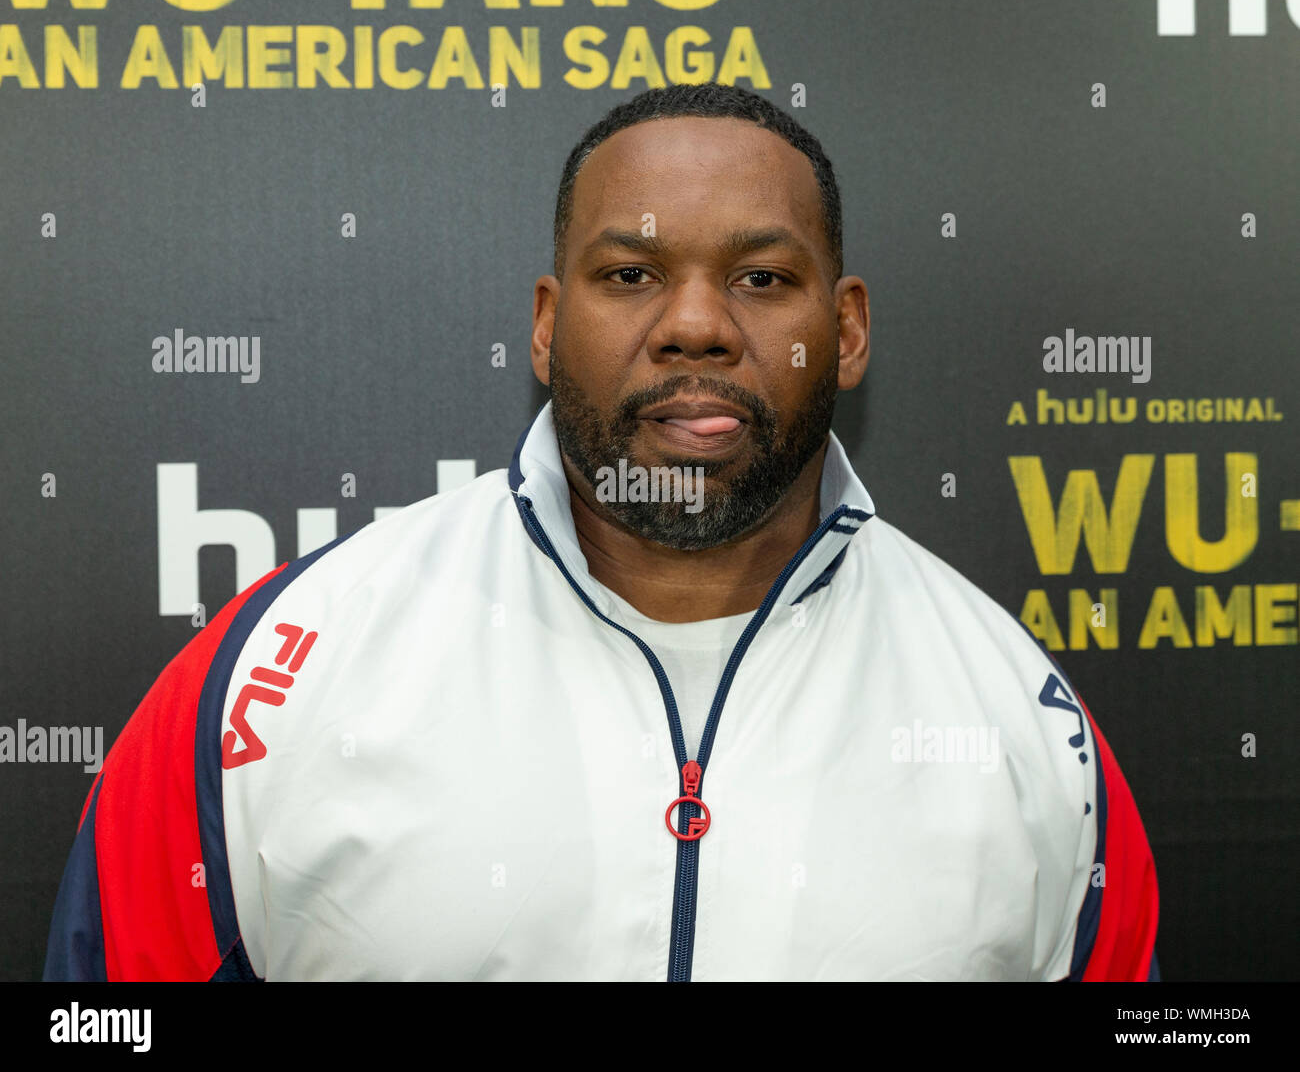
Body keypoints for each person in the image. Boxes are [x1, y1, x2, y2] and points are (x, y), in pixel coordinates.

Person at [45, 83, 1158, 982]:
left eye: (762, 279)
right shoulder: (275, 675)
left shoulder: (1022, 721)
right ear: (544, 324)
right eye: (630, 275)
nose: (694, 326)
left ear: (849, 330)